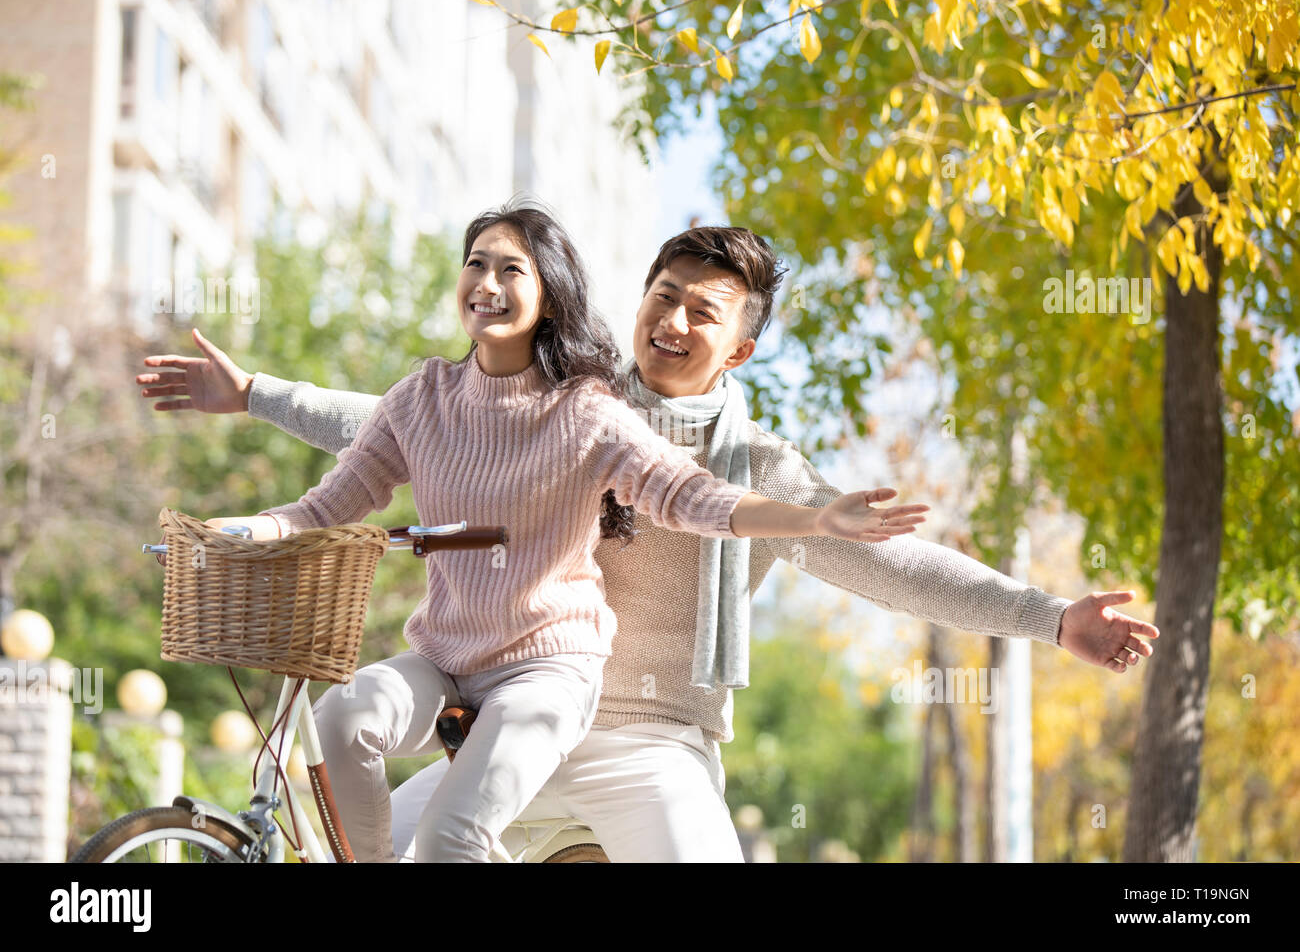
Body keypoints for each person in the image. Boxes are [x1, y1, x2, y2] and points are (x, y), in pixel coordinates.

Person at [139, 222, 1157, 862]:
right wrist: (255, 395)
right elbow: (395, 423)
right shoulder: (557, 404)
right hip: (493, 729)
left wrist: (1049, 614)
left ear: (741, 345)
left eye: (702, 311)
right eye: (661, 295)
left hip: (649, 746)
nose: (672, 320)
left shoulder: (756, 465)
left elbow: (892, 565)